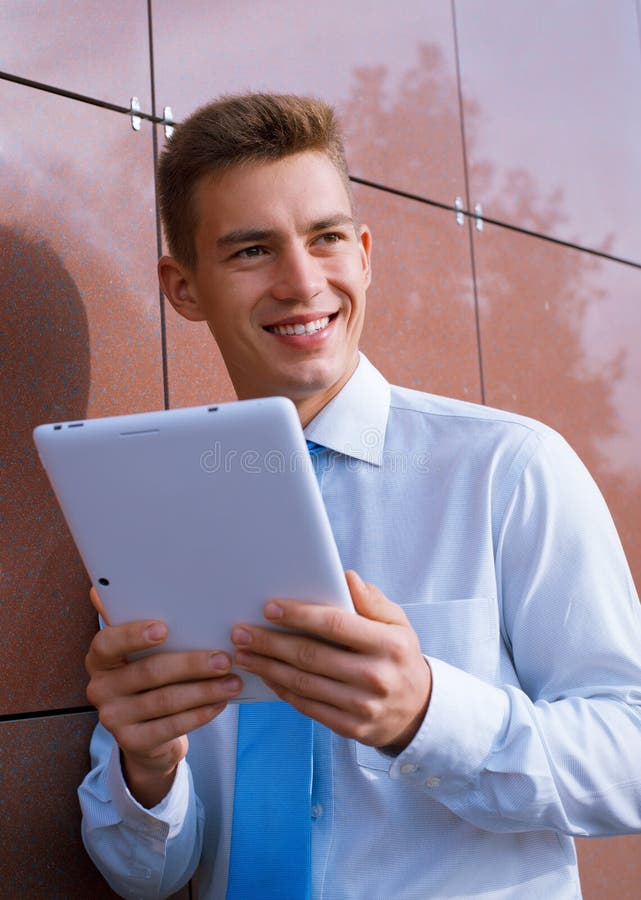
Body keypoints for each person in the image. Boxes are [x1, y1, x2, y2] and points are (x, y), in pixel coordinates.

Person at [79, 93, 641, 899]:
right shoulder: (144, 516)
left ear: (364, 253)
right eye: (251, 250)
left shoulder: (509, 469)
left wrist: (426, 715)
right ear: (184, 288)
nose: (301, 282)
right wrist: (146, 767)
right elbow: (144, 877)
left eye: (326, 238)